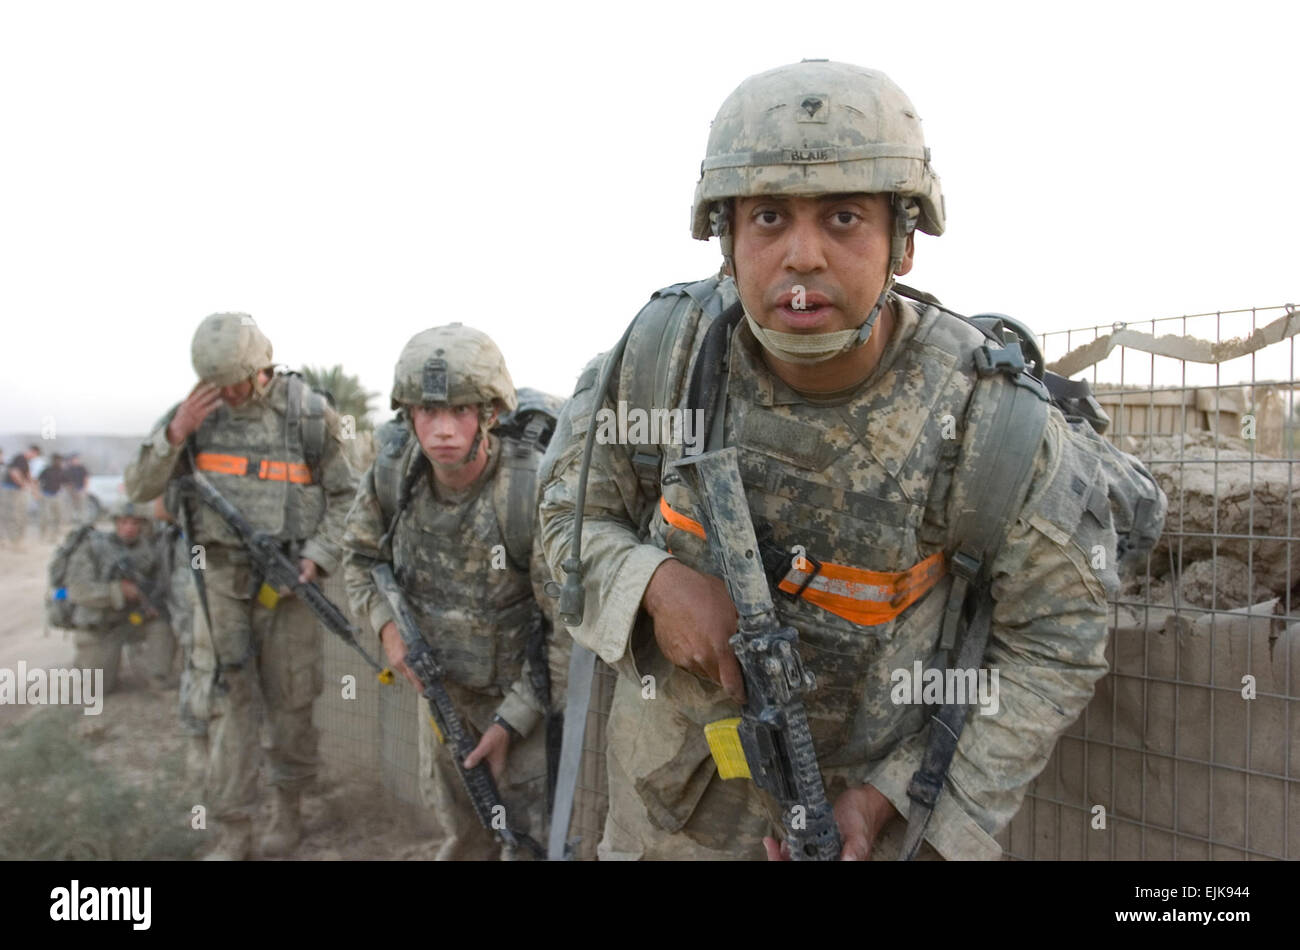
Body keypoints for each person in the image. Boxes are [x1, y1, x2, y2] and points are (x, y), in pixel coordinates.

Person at [537, 60, 1123, 861]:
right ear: (727, 240)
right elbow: (565, 520)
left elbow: (1057, 635)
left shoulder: (991, 421)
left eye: (844, 218)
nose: (803, 255)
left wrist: (896, 793)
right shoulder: (662, 358)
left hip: (860, 826)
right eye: (770, 217)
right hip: (666, 818)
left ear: (903, 243)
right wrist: (654, 587)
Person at [124, 312, 358, 860]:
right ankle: (234, 829)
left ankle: (289, 810)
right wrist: (174, 433)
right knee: (230, 698)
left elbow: (349, 498)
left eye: (235, 382)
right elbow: (140, 487)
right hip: (219, 579)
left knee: (292, 698)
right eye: (216, 384)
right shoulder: (194, 415)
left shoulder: (308, 415)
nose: (226, 394)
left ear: (262, 367)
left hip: (290, 580)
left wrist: (319, 560)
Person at [342, 324, 566, 860]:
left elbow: (566, 630)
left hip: (521, 705)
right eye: (427, 412)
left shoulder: (525, 490)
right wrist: (391, 634)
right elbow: (361, 560)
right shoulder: (394, 475)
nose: (442, 429)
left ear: (489, 414)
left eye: (460, 411)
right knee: (464, 835)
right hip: (441, 699)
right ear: (408, 415)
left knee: (527, 841)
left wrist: (511, 723)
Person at [60, 498, 173, 693]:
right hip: (99, 627)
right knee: (96, 690)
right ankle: (89, 664)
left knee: (163, 622)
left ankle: (159, 679)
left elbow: (161, 585)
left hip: (131, 621)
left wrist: (151, 603)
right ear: (115, 523)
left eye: (135, 523)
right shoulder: (92, 547)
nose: (129, 528)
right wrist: (118, 591)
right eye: (123, 522)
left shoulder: (149, 550)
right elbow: (78, 590)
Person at [2, 444, 41, 546]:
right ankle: (12, 541)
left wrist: (35, 491)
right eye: (35, 455)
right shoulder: (20, 458)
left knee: (18, 515)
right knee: (13, 515)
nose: (34, 458)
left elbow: (29, 477)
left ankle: (15, 540)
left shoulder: (25, 462)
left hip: (17, 491)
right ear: (32, 452)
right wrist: (24, 485)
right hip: (12, 491)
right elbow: (14, 473)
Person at [37, 453, 65, 541]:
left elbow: (66, 482)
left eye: (60, 460)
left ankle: (54, 536)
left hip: (57, 496)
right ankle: (42, 535)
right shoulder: (46, 470)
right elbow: (37, 481)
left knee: (57, 517)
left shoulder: (62, 471)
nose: (58, 462)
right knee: (45, 517)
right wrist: (38, 492)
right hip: (46, 495)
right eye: (56, 460)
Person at [62, 452, 90, 524]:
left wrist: (85, 489)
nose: (75, 461)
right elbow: (65, 480)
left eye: (76, 459)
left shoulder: (82, 468)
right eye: (73, 459)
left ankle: (83, 521)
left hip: (80, 489)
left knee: (82, 506)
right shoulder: (69, 469)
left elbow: (86, 478)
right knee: (70, 506)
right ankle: (70, 521)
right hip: (72, 490)